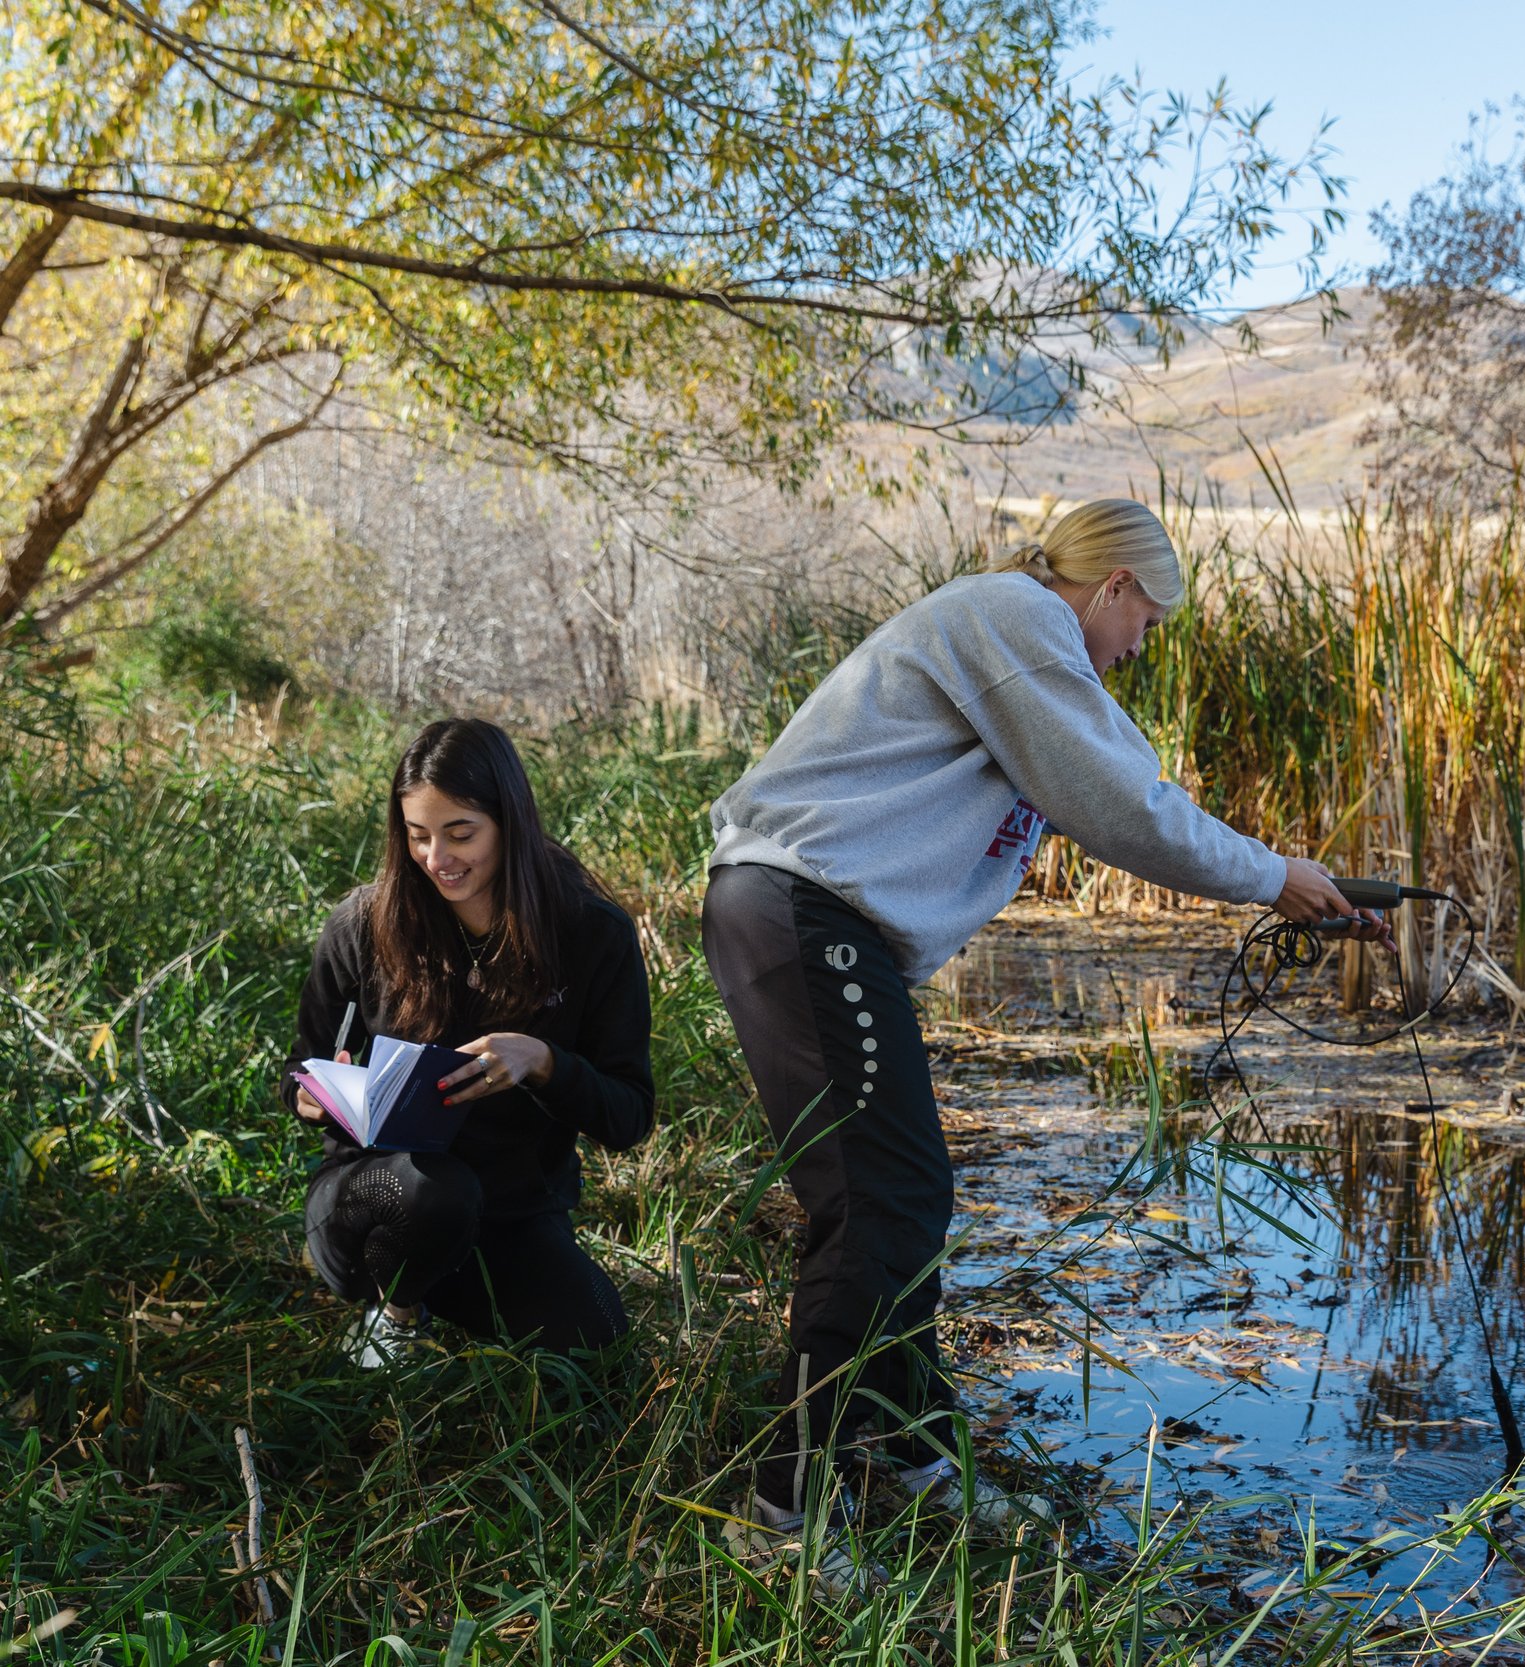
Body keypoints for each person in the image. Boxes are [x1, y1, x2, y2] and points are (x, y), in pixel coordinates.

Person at [703, 498, 1384, 1574]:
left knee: (901, 1196)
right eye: (1146, 622)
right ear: (1111, 585)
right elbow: (1123, 805)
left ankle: (907, 1447)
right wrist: (1272, 875)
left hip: (816, 926)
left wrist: (1309, 887)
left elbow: (1133, 781)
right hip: (798, 912)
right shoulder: (1018, 617)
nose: (1139, 646)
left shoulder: (1025, 642)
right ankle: (782, 1513)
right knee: (880, 1201)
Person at [287, 718, 655, 1366]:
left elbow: (629, 1114)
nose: (438, 859)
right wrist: (315, 1092)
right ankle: (395, 1314)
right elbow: (297, 1069)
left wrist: (544, 1063)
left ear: (509, 821)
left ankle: (446, 1292)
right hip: (373, 1198)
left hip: (511, 1210)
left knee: (599, 1342)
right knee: (435, 1193)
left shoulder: (591, 933)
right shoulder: (364, 924)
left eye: (461, 833)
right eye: (418, 835)